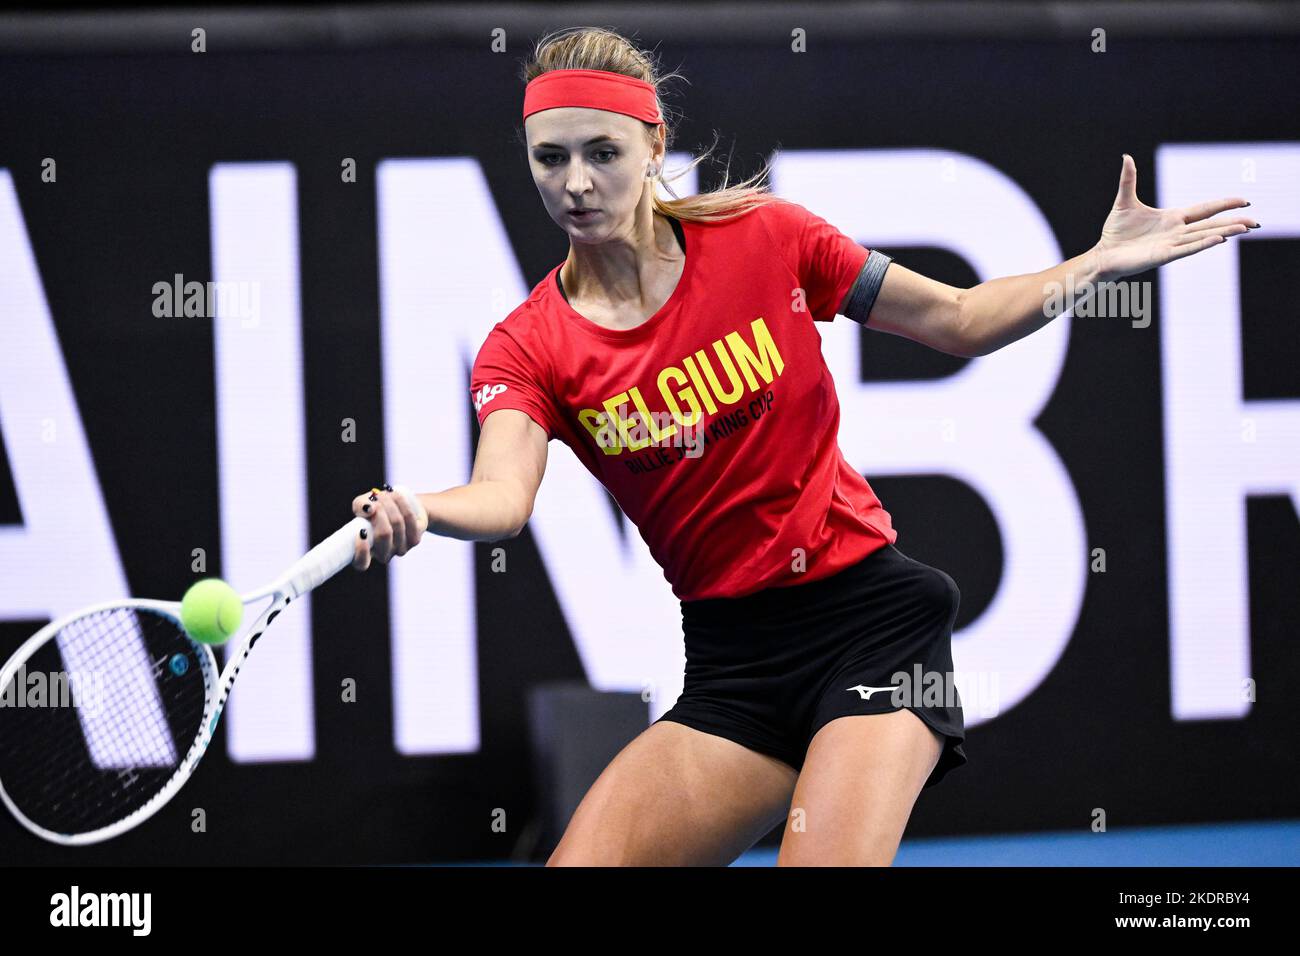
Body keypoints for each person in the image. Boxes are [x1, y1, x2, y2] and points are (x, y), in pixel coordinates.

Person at [350, 27, 1257, 866]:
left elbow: (959, 320)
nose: (576, 183)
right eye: (551, 158)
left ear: (654, 146)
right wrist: (423, 511)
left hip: (874, 635)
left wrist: (1092, 264)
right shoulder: (529, 346)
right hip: (733, 671)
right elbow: (503, 498)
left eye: (602, 153)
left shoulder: (768, 242)